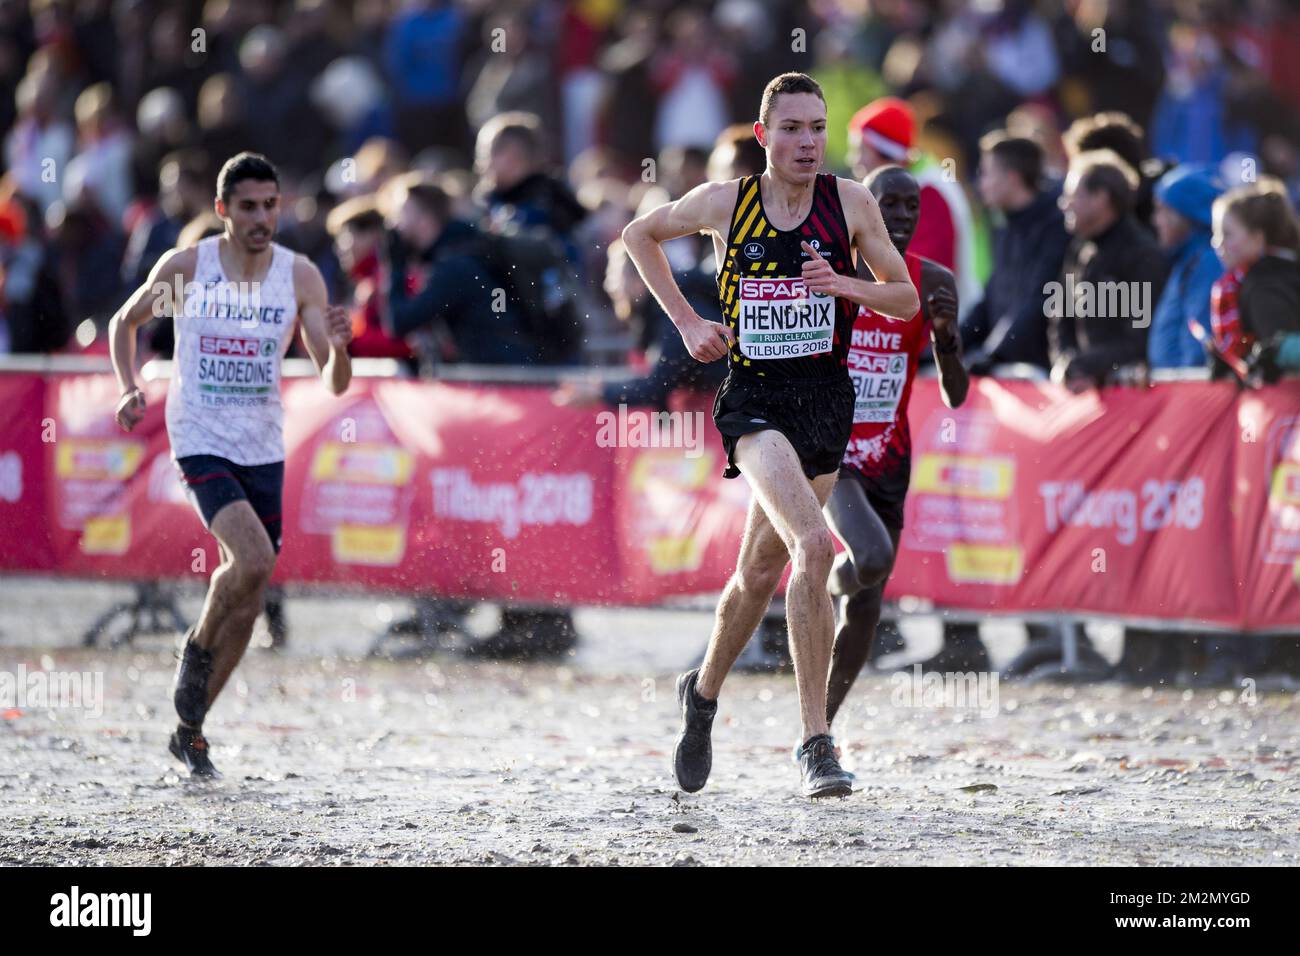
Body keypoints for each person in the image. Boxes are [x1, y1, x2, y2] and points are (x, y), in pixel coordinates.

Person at [622, 72, 918, 798]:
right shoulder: (729, 202)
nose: (807, 142)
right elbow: (639, 234)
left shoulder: (849, 203)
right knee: (815, 546)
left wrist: (843, 286)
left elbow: (905, 295)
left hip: (824, 402)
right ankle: (817, 743)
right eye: (791, 128)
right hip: (754, 404)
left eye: (817, 127)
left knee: (758, 574)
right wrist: (690, 323)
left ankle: (701, 696)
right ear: (763, 136)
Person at [108, 153, 353, 777]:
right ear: (222, 211)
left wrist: (343, 348)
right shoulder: (189, 268)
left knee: (248, 595)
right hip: (199, 435)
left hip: (263, 443)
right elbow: (124, 322)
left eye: (271, 205)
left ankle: (190, 729)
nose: (262, 217)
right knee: (253, 561)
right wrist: (128, 385)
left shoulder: (300, 278)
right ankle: (195, 653)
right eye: (248, 207)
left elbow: (331, 377)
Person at [824, 166, 968, 740]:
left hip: (891, 457)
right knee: (872, 559)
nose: (904, 217)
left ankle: (820, 728)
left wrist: (946, 338)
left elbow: (955, 393)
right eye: (891, 205)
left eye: (913, 207)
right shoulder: (832, 274)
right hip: (832, 454)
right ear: (866, 207)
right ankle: (824, 578)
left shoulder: (932, 280)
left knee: (866, 607)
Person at [847, 96, 983, 316]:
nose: (854, 161)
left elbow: (920, 284)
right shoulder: (915, 183)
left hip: (943, 328)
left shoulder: (928, 194)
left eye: (860, 150)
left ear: (885, 153)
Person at [1050, 150, 1169, 391]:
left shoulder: (1141, 253)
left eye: (1072, 196)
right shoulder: (1078, 248)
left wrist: (1088, 365)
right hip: (1084, 393)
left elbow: (1140, 337)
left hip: (1130, 399)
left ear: (1101, 198)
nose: (1064, 205)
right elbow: (1060, 319)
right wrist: (1067, 362)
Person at [962, 131, 1068, 373]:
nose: (981, 184)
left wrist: (993, 354)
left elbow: (1039, 300)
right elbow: (992, 297)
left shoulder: (1056, 228)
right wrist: (951, 345)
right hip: (1006, 367)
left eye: (986, 173)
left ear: (1011, 178)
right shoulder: (1004, 226)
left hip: (1039, 371)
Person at [1148, 163, 1224, 371]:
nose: (1156, 221)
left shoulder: (1209, 262)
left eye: (1162, 210)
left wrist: (1186, 388)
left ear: (1184, 214)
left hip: (1191, 395)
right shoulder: (1186, 259)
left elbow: (1200, 340)